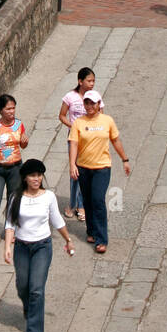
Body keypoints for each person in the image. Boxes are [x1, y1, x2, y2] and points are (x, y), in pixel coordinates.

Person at [3, 158, 74, 332]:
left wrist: (68, 239)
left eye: (39, 175)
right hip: (21, 246)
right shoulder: (16, 197)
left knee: (36, 288)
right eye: (32, 176)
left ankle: (34, 330)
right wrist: (7, 248)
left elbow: (57, 221)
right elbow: (10, 224)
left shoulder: (48, 197)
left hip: (42, 246)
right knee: (23, 285)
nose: (36, 179)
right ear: (25, 178)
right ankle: (29, 307)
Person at [68, 90, 130, 253]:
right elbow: (73, 144)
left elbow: (115, 140)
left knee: (98, 200)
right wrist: (72, 165)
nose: (89, 106)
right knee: (87, 200)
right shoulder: (78, 123)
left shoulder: (107, 121)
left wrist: (124, 159)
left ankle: (102, 239)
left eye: (92, 103)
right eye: (86, 103)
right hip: (83, 167)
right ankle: (92, 231)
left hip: (102, 168)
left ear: (98, 104)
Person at [0, 94, 28, 248]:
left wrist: (24, 142)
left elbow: (23, 145)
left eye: (13, 108)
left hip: (15, 167)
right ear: (1, 110)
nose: (11, 111)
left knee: (13, 200)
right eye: (8, 109)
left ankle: (11, 231)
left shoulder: (19, 125)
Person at [58, 67, 104, 221]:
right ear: (80, 81)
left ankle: (81, 205)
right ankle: (73, 204)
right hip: (75, 138)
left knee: (86, 172)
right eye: (89, 81)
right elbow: (62, 115)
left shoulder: (96, 97)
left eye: (93, 81)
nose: (92, 84)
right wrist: (73, 126)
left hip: (90, 140)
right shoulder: (70, 97)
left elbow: (101, 117)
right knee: (75, 172)